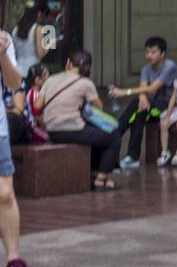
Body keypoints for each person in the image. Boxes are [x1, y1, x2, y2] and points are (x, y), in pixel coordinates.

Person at [38, 51, 121, 190]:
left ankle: (93, 173)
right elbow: (99, 107)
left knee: (96, 136)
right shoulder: (85, 83)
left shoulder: (51, 79)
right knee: (114, 138)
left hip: (52, 131)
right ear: (88, 67)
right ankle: (101, 179)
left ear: (68, 63)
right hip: (72, 130)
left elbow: (38, 105)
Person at [109, 36, 177, 169]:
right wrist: (142, 97)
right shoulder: (146, 69)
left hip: (168, 108)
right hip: (151, 106)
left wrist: (124, 92)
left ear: (162, 53)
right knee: (138, 112)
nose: (149, 55)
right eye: (147, 52)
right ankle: (132, 157)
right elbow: (143, 88)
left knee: (136, 107)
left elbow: (153, 88)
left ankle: (113, 136)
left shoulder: (169, 66)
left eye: (153, 52)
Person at [0, 30, 35, 267]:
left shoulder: (4, 39)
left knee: (4, 193)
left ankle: (13, 259)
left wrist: (2, 55)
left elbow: (14, 85)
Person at [10, 0, 51, 76]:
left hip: (17, 68)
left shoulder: (16, 28)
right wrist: (49, 43)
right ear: (39, 14)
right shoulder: (38, 29)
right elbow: (40, 54)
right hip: (32, 70)